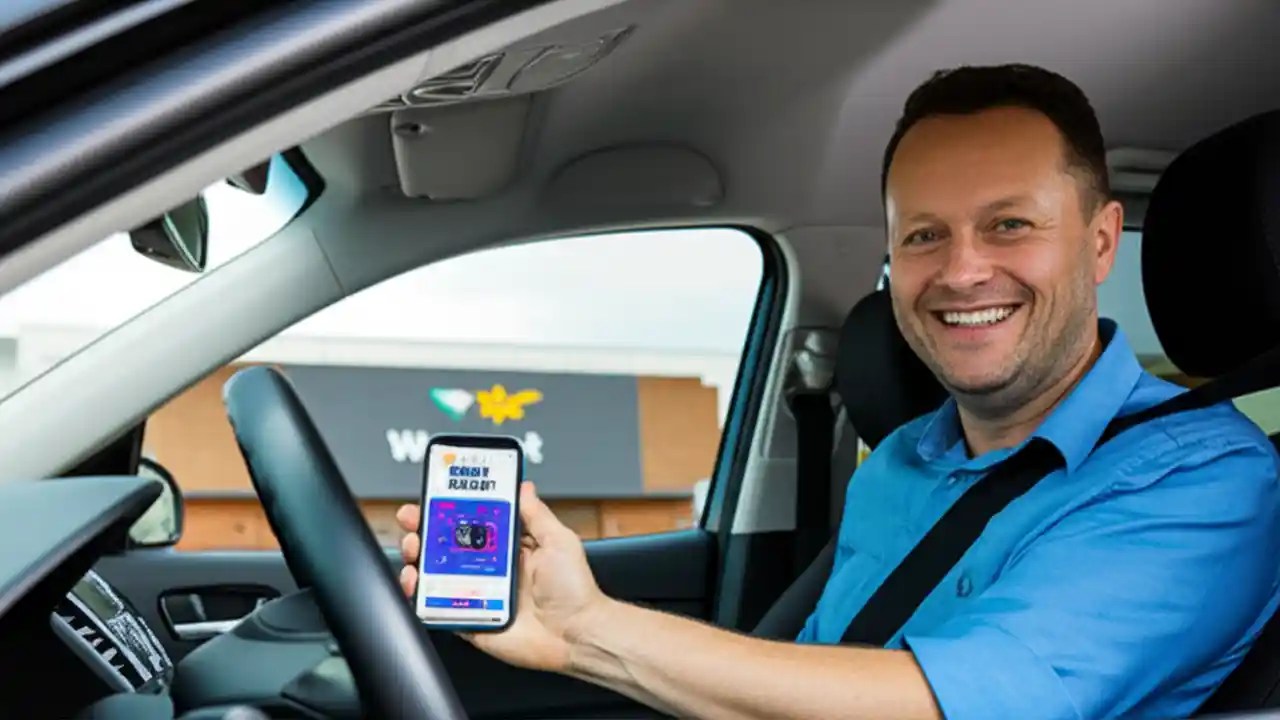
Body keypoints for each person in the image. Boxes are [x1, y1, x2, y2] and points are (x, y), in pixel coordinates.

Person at [396, 64, 1280, 719]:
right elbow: (811, 677)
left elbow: (945, 710)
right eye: (926, 234)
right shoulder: (898, 462)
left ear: (1098, 242)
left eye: (1010, 224)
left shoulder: (1208, 482)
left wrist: (587, 632)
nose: (963, 270)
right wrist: (572, 630)